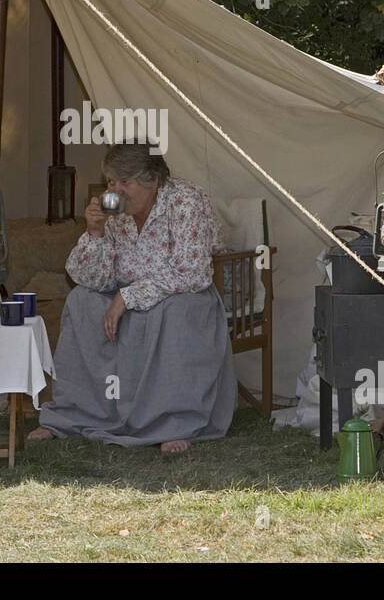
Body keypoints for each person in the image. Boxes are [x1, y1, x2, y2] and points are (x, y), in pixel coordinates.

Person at [28, 142, 236, 453]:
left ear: (153, 180)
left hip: (179, 292)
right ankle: (74, 414)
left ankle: (176, 423)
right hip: (126, 292)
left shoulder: (186, 201)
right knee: (81, 302)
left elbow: (193, 273)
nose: (116, 190)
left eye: (126, 182)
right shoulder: (116, 211)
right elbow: (91, 278)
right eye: (111, 182)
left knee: (177, 310)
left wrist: (128, 297)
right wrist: (95, 232)